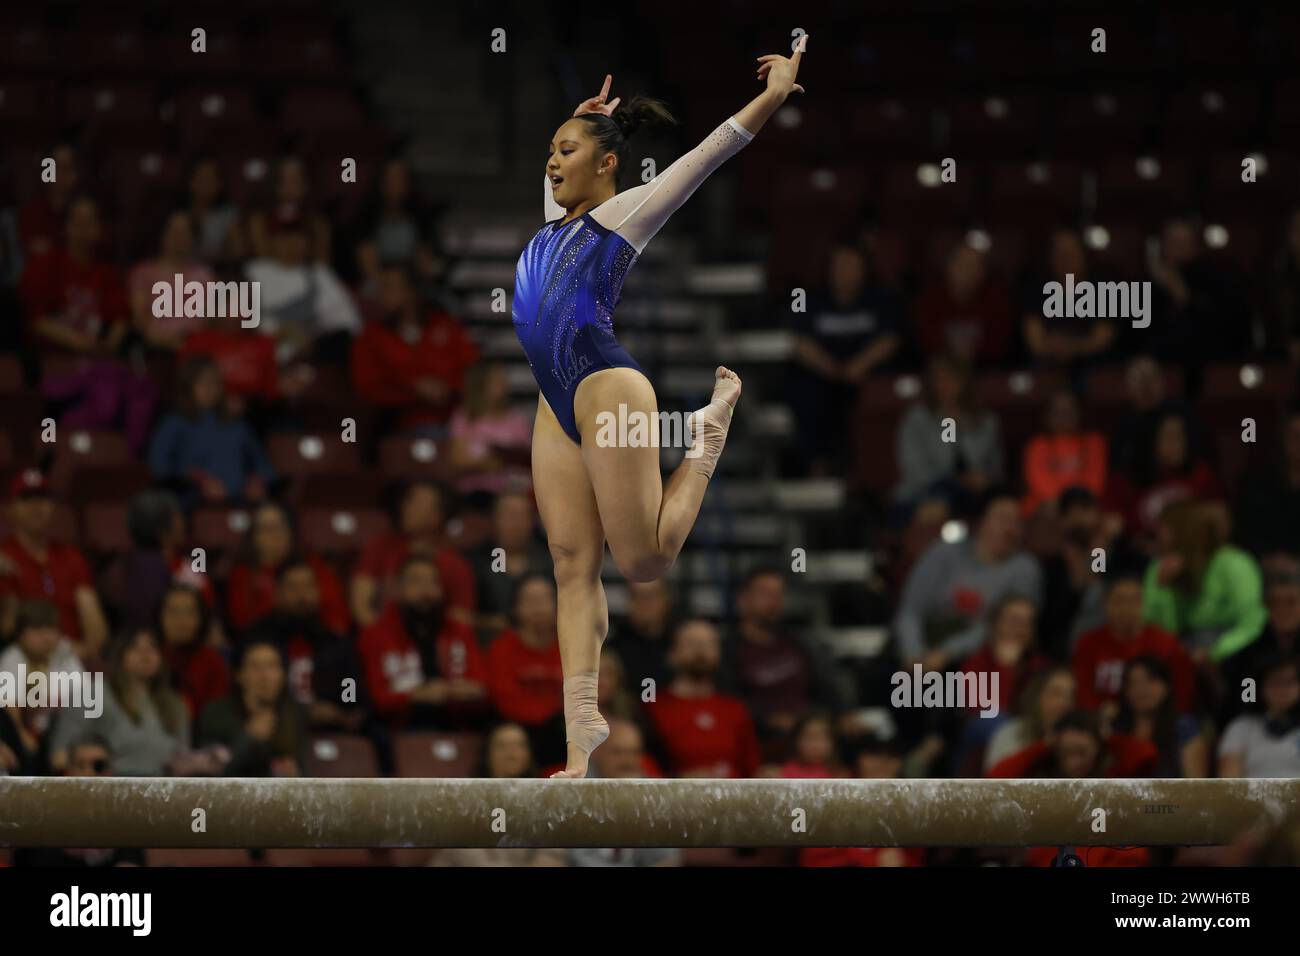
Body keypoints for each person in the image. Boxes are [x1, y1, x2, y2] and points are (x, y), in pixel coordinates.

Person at [520, 52, 807, 776]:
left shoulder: (620, 217)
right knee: (569, 564)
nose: (552, 162)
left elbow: (707, 156)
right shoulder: (553, 223)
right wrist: (585, 121)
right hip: (555, 400)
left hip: (608, 386)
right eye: (550, 151)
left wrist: (770, 99)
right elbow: (560, 180)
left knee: (644, 561)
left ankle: (705, 440)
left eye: (567, 151)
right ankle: (580, 734)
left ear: (610, 165)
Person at [893, 491, 1042, 672]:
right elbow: (911, 610)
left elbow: (1008, 626)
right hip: (923, 646)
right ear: (981, 521)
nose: (1009, 529)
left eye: (1017, 522)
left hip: (977, 657)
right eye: (1002, 518)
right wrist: (913, 653)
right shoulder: (943, 553)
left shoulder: (1024, 568)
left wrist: (946, 653)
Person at [787, 242, 900, 476]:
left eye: (852, 266)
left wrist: (860, 365)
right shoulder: (807, 298)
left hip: (865, 372)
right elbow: (799, 341)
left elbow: (891, 339)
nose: (846, 272)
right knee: (806, 391)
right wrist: (829, 367)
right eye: (840, 266)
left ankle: (869, 469)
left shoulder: (879, 298)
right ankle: (817, 466)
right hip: (824, 373)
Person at [357, 555, 488, 731]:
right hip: (398, 725)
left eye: (433, 582)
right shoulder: (375, 635)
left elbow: (482, 686)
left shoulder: (460, 631)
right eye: (416, 582)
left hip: (457, 720)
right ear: (398, 588)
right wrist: (418, 695)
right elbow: (376, 698)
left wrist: (459, 691)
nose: (426, 591)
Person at [351, 262, 481, 434]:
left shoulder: (446, 326)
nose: (382, 296)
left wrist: (449, 388)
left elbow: (475, 372)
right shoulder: (371, 337)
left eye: (389, 288)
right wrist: (413, 389)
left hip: (456, 420)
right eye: (381, 289)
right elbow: (367, 388)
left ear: (411, 292)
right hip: (396, 427)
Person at [723, 567, 848, 740]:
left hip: (810, 734)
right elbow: (729, 702)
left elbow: (826, 690)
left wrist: (840, 715)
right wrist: (767, 720)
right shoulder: (728, 650)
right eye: (765, 594)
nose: (774, 602)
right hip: (761, 736)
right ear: (742, 600)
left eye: (779, 594)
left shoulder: (801, 643)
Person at [242, 560, 368, 732]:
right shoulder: (256, 640)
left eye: (308, 587)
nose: (302, 596)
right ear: (277, 593)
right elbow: (244, 693)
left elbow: (352, 692)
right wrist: (301, 712)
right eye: (293, 588)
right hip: (271, 729)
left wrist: (341, 712)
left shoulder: (337, 645)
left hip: (330, 729)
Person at [49, 628, 190, 776]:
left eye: (152, 648)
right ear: (119, 654)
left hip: (165, 787)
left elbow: (185, 759)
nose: (146, 655)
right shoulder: (91, 694)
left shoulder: (175, 704)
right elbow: (59, 756)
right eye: (135, 648)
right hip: (109, 784)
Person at [1142, 498, 1266, 663]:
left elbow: (1251, 621)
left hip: (1229, 648)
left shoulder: (1235, 563)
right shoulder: (1162, 566)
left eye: (1165, 527)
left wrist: (1214, 652)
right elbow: (1160, 627)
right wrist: (1162, 586)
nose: (1159, 534)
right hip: (1183, 645)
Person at [0, 469, 108, 658]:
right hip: (22, 662)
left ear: (53, 508)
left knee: (98, 684)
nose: (36, 506)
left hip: (72, 659)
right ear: (10, 509)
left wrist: (75, 653)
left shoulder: (71, 557)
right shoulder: (4, 558)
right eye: (26, 499)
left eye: (42, 499)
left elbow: (95, 630)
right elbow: (9, 628)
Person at [642, 618, 761, 778]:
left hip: (734, 796)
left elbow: (753, 766)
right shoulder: (655, 706)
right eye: (691, 643)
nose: (701, 651)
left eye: (708, 644)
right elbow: (645, 766)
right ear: (672, 654)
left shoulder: (735, 708)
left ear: (719, 653)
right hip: (676, 797)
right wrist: (681, 779)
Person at [350, 479, 477, 627]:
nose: (406, 508)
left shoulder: (457, 566)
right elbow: (360, 604)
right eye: (408, 501)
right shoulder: (380, 547)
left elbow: (461, 619)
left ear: (438, 515)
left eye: (417, 503)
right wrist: (382, 640)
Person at [892, 353, 1004, 521]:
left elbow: (996, 469)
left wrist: (983, 478)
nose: (946, 386)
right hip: (925, 493)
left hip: (975, 495)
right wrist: (956, 480)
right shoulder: (917, 419)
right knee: (941, 500)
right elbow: (915, 470)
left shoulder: (986, 421)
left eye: (952, 379)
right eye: (940, 380)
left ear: (965, 382)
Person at [244, 208, 360, 364]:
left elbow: (350, 323)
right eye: (285, 236)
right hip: (262, 356)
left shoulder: (318, 274)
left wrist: (313, 343)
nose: (292, 242)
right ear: (272, 239)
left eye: (298, 235)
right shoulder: (254, 272)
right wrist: (281, 331)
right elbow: (238, 318)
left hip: (309, 357)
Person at [10, 734, 145, 867]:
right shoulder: (43, 815)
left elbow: (129, 862)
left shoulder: (125, 819)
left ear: (110, 772)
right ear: (68, 771)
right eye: (81, 766)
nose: (89, 774)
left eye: (98, 766)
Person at [1072, 574, 1194, 718]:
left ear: (1143, 604)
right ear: (1106, 604)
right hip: (1104, 721)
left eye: (1133, 601)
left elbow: (1182, 690)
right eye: (1119, 601)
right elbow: (1082, 691)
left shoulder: (1165, 642)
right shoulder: (1088, 643)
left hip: (1158, 720)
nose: (1126, 608)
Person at [565, 718, 681, 867]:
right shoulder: (573, 790)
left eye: (634, 752)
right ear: (596, 752)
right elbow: (566, 856)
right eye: (618, 752)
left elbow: (666, 858)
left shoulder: (653, 792)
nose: (627, 761)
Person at [799, 734, 925, 867]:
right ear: (859, 759)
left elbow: (914, 858)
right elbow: (816, 857)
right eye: (874, 753)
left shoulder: (912, 806)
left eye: (891, 755)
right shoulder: (834, 795)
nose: (883, 761)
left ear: (900, 763)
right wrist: (869, 859)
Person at [226, 500, 350, 636]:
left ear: (291, 531)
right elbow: (243, 624)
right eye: (265, 529)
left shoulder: (314, 566)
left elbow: (337, 618)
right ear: (253, 537)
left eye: (280, 526)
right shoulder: (244, 573)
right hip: (265, 645)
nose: (274, 535)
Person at [1104, 408, 1220, 547]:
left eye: (1181, 436)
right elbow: (1111, 525)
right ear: (1151, 440)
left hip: (1191, 556)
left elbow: (1218, 517)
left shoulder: (1201, 474)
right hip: (1138, 557)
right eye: (1170, 437)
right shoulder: (1126, 480)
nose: (1178, 444)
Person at [197, 638, 310, 776]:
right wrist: (249, 738)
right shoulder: (217, 713)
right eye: (255, 667)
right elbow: (210, 776)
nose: (265, 676)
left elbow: (306, 772)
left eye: (272, 666)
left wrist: (294, 774)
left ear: (283, 674)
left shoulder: (294, 712)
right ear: (239, 674)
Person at [486, 575, 566, 763]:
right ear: (516, 608)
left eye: (545, 599)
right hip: (517, 728)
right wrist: (551, 709)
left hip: (560, 732)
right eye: (530, 600)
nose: (538, 607)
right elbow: (506, 700)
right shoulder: (502, 648)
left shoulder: (570, 646)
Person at [0, 601, 85, 773]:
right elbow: (9, 706)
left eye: (51, 629)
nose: (47, 638)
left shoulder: (64, 654)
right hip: (27, 734)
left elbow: (83, 699)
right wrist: (22, 735)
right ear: (21, 634)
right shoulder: (12, 658)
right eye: (38, 631)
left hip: (60, 732)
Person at [1020, 226, 1116, 373]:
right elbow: (1035, 343)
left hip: (1093, 368)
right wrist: (1062, 348)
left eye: (1072, 253)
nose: (1066, 260)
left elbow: (1101, 340)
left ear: (1083, 256)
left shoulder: (1102, 290)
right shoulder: (1036, 290)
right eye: (1059, 253)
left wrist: (1069, 347)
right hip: (1046, 368)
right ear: (1050, 258)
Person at [914, 240, 1014, 365]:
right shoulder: (930, 298)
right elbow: (925, 341)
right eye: (962, 264)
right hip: (941, 369)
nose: (967, 271)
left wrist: (974, 352)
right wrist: (951, 353)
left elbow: (1000, 343)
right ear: (949, 267)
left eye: (974, 265)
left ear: (983, 272)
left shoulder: (997, 299)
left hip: (986, 368)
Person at [127, 210, 215, 351]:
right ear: (162, 234)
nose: (178, 238)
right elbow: (140, 319)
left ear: (193, 237)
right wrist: (165, 340)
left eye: (184, 233)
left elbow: (210, 319)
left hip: (197, 347)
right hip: (156, 347)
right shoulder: (144, 272)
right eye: (173, 232)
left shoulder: (204, 275)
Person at [1221, 571, 1300, 723]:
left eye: (1291, 602)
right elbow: (1245, 699)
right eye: (1275, 603)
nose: (1282, 610)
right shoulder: (1249, 658)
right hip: (1260, 727)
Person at [1110, 656, 1208, 778]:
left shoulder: (1184, 727)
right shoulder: (1114, 728)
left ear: (1167, 686)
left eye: (1150, 680)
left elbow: (1195, 786)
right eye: (1133, 682)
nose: (1141, 689)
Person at [467, 491, 552, 631]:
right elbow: (463, 615)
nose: (515, 522)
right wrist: (489, 622)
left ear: (533, 521)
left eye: (521, 516)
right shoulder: (478, 561)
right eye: (508, 515)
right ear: (494, 519)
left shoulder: (549, 559)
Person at [1020, 388, 1107, 516]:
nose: (1063, 417)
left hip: (1084, 505)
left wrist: (1073, 505)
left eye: (1068, 411)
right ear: (1047, 415)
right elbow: (1037, 481)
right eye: (1058, 412)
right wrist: (1063, 504)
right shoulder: (1037, 445)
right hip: (1044, 505)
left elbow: (1095, 482)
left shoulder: (1094, 441)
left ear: (1079, 413)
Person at [448, 361, 532, 494]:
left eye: (503, 379)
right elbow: (457, 461)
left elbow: (527, 456)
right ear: (481, 384)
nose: (503, 384)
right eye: (496, 380)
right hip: (473, 494)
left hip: (511, 491)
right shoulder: (465, 417)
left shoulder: (516, 418)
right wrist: (486, 463)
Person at [1234, 404, 1300, 566]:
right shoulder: (1259, 486)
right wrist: (1270, 560)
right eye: (1295, 436)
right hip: (1266, 571)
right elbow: (1246, 537)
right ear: (1283, 439)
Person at [1217, 653, 1300, 779]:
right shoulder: (1241, 727)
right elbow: (1230, 783)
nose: (1282, 689)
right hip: (1253, 797)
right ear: (1260, 687)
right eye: (1275, 682)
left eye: (1289, 682)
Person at [982, 665, 1076, 773]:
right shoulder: (1012, 733)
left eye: (1071, 696)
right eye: (1055, 694)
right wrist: (1042, 747)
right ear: (1037, 697)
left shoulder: (1080, 739)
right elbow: (993, 780)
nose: (1065, 703)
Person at [157, 584, 229, 719]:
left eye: (189, 612)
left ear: (200, 619)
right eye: (173, 612)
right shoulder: (151, 656)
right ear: (160, 616)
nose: (181, 620)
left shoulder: (212, 661)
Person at [604, 578, 677, 696]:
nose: (644, 603)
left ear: (666, 600)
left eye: (651, 596)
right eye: (636, 596)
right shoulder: (613, 647)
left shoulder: (679, 643)